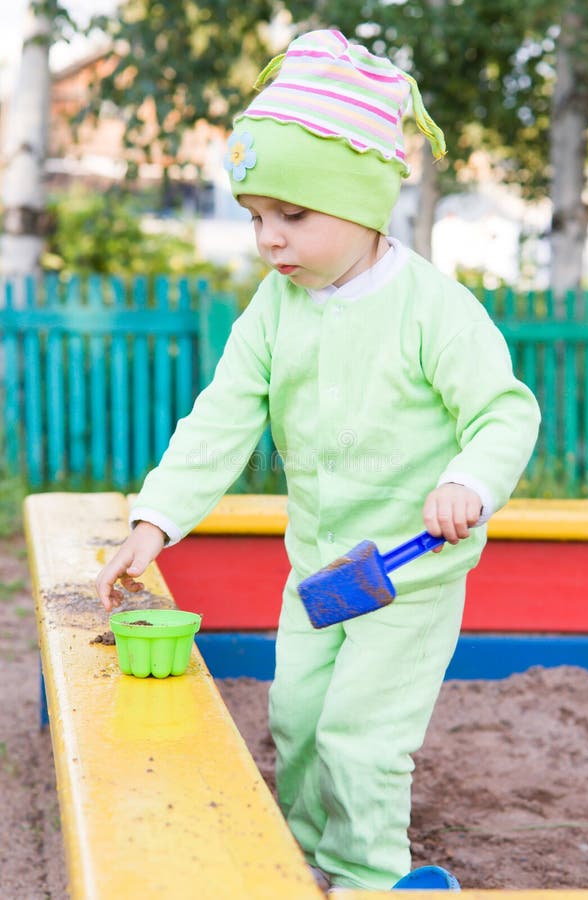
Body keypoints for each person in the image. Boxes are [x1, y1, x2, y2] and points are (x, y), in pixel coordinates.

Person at [96, 29, 540, 892]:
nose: (268, 239)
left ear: (365, 202)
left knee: (359, 737)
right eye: (257, 216)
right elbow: (222, 414)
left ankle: (367, 875)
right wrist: (156, 520)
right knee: (297, 721)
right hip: (322, 573)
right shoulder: (275, 307)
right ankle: (296, 857)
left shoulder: (432, 311)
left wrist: (468, 481)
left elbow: (503, 410)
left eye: (292, 216)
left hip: (410, 574)